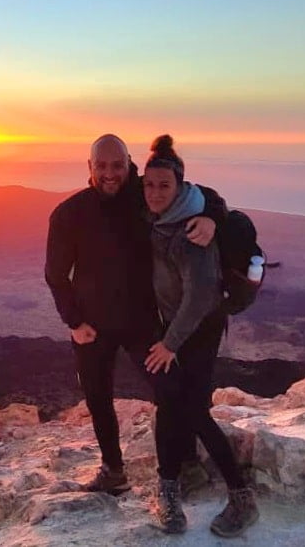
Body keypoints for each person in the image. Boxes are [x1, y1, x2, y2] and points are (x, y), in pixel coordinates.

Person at [44, 134, 226, 494]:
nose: (110, 173)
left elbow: (204, 196)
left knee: (170, 390)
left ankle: (185, 463)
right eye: (102, 166)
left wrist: (212, 218)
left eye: (117, 165)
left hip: (141, 323)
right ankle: (113, 471)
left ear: (130, 164)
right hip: (92, 326)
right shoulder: (69, 213)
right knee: (98, 397)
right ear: (90, 166)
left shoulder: (145, 193)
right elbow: (55, 274)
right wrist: (74, 321)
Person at [141, 134, 259, 537]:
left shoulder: (191, 232)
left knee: (191, 411)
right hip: (172, 325)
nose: (155, 193)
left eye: (164, 185)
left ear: (180, 186)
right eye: (149, 185)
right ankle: (170, 485)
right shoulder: (159, 213)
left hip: (199, 328)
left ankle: (241, 496)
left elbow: (201, 297)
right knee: (167, 404)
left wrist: (169, 344)